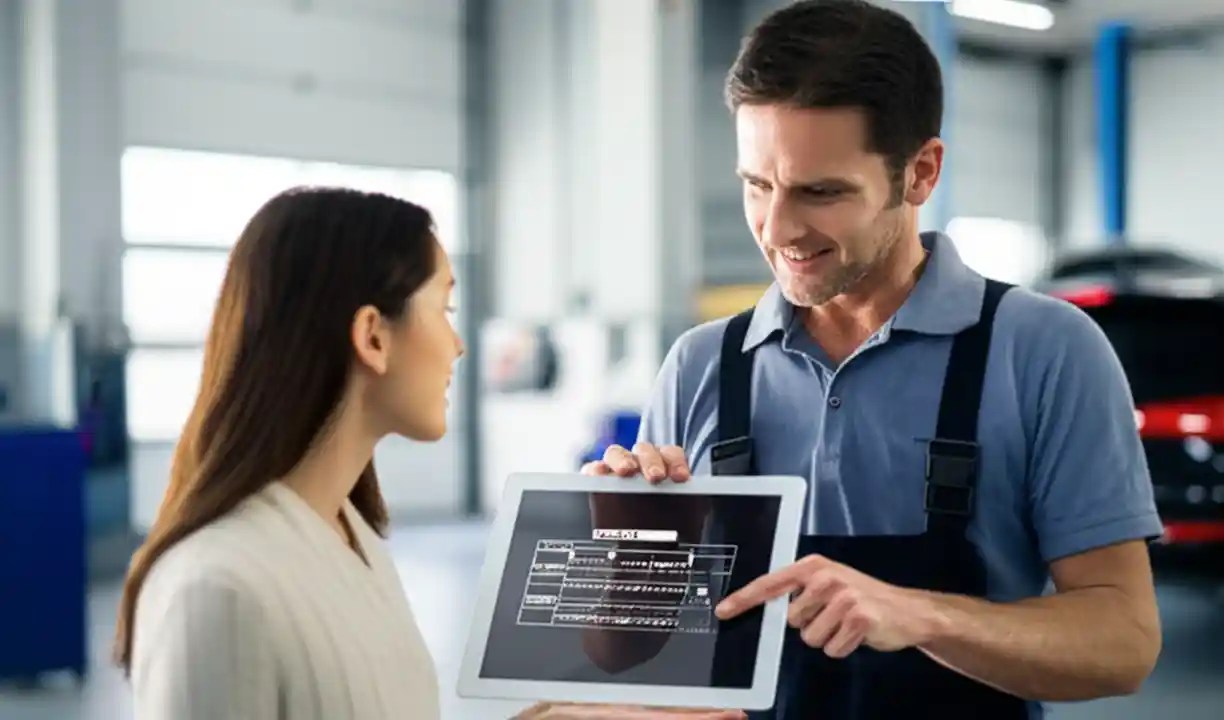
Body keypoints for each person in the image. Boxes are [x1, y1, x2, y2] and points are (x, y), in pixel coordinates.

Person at [587, 1, 1164, 719]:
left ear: (920, 173)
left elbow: (1123, 642)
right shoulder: (701, 364)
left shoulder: (1046, 350)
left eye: (820, 192)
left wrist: (923, 617)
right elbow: (631, 652)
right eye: (756, 185)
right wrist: (616, 550)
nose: (778, 229)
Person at [113, 186, 738, 720]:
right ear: (373, 337)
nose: (459, 345)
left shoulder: (349, 536)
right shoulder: (215, 591)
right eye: (444, 308)